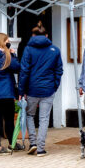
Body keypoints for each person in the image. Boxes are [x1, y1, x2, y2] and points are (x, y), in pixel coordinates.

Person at [19, 23, 63, 157]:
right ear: (47, 35)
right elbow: (59, 71)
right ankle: (41, 149)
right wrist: (54, 86)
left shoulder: (28, 49)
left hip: (32, 89)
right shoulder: (55, 50)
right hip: (48, 90)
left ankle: (32, 143)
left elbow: (24, 71)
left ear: (32, 35)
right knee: (44, 119)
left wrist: (21, 91)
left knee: (30, 115)